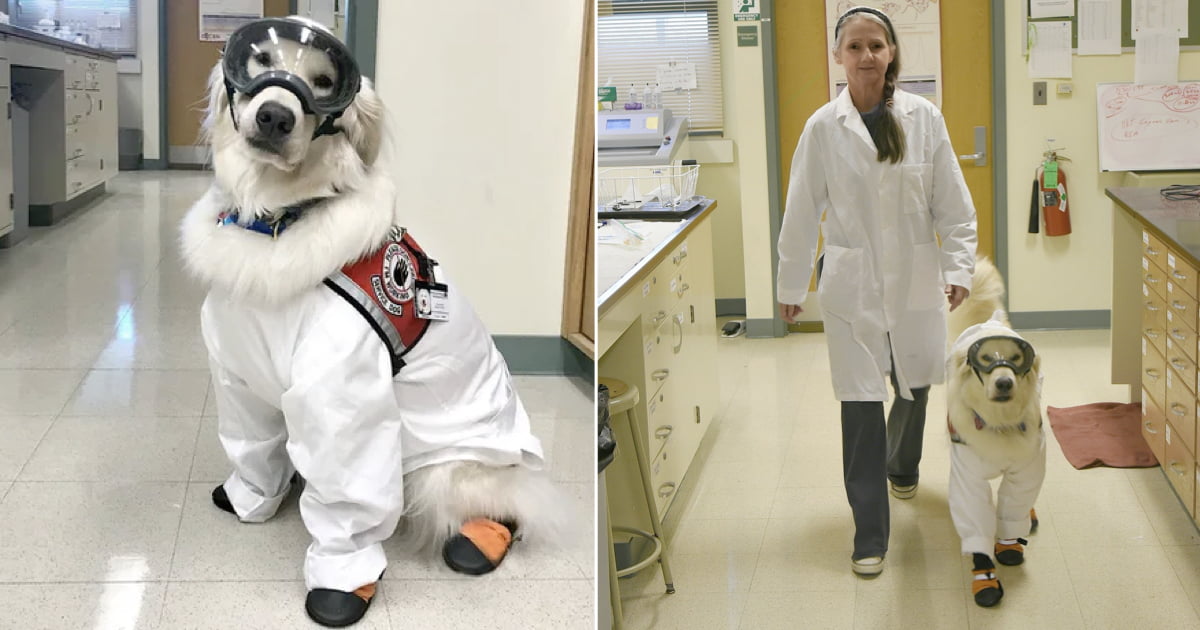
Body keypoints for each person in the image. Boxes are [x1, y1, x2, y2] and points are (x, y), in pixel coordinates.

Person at [775, 6, 978, 577]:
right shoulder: (822, 128)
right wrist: (792, 283)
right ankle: (869, 533)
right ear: (839, 57)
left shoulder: (924, 118)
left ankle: (904, 466)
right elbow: (800, 212)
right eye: (855, 47)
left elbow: (955, 207)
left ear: (891, 54)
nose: (867, 56)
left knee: (915, 385)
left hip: (915, 278)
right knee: (861, 404)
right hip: (852, 285)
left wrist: (958, 267)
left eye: (876, 46)